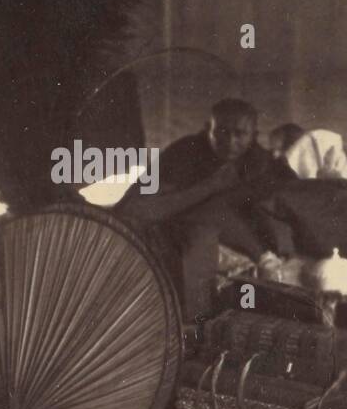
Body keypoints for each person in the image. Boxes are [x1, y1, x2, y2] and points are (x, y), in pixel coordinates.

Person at [116, 98, 295, 318]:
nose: (230, 142)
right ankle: (195, 321)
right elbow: (133, 210)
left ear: (254, 136)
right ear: (207, 129)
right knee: (202, 224)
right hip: (178, 229)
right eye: (221, 132)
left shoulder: (261, 161)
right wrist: (209, 187)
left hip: (243, 240)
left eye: (240, 134)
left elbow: (288, 199)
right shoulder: (183, 153)